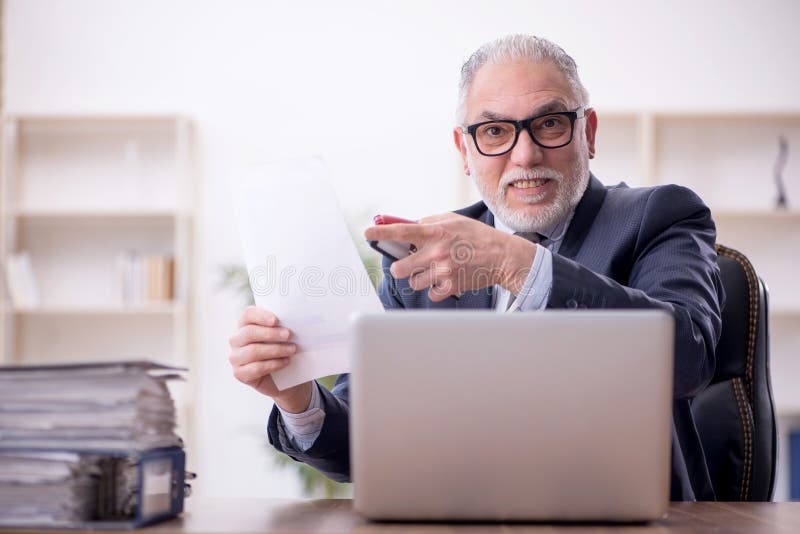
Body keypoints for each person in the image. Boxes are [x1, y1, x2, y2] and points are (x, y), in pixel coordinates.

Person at [228, 34, 723, 501]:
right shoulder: (418, 261)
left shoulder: (661, 216)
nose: (525, 155)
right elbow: (367, 449)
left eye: (549, 123)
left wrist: (518, 264)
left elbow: (688, 358)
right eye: (494, 131)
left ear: (587, 132)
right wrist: (300, 402)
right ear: (465, 150)